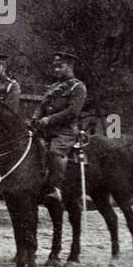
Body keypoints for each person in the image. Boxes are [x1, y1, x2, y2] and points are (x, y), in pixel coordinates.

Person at [31, 50, 87, 200]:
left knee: (55, 152)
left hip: (65, 132)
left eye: (60, 67)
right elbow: (42, 106)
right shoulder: (54, 87)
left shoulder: (78, 87)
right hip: (46, 130)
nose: (56, 70)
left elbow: (73, 112)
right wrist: (35, 118)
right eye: (55, 67)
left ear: (70, 67)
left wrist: (50, 119)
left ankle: (56, 188)